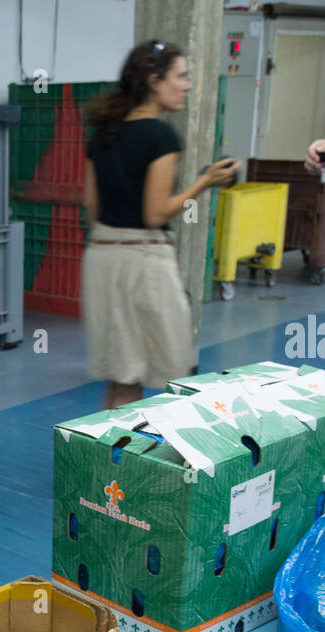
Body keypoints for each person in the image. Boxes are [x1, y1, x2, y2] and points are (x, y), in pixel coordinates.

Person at [82, 39, 240, 408]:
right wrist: (205, 183)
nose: (186, 85)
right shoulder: (161, 136)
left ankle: (110, 461)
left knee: (124, 375)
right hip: (145, 263)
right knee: (174, 370)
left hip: (102, 257)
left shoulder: (103, 133)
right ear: (155, 81)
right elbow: (156, 213)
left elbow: (90, 203)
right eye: (180, 76)